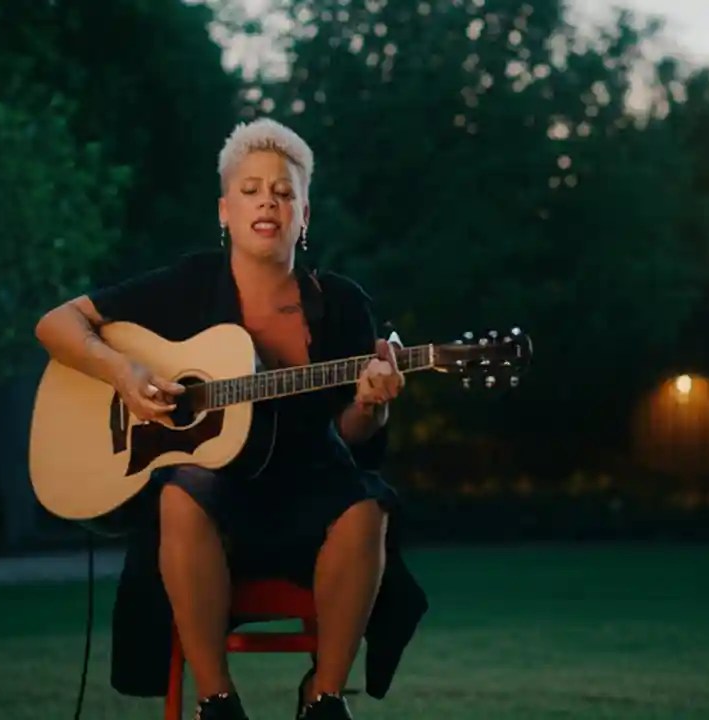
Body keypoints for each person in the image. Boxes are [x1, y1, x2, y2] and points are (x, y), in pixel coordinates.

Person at [34, 118, 427, 720]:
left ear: (304, 215)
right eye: (250, 189)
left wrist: (371, 403)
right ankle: (216, 702)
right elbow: (56, 324)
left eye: (284, 191)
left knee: (368, 507)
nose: (268, 199)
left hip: (309, 499)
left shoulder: (342, 303)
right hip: (215, 505)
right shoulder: (189, 284)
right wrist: (122, 374)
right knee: (182, 493)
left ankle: (322, 698)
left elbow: (353, 441)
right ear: (225, 210)